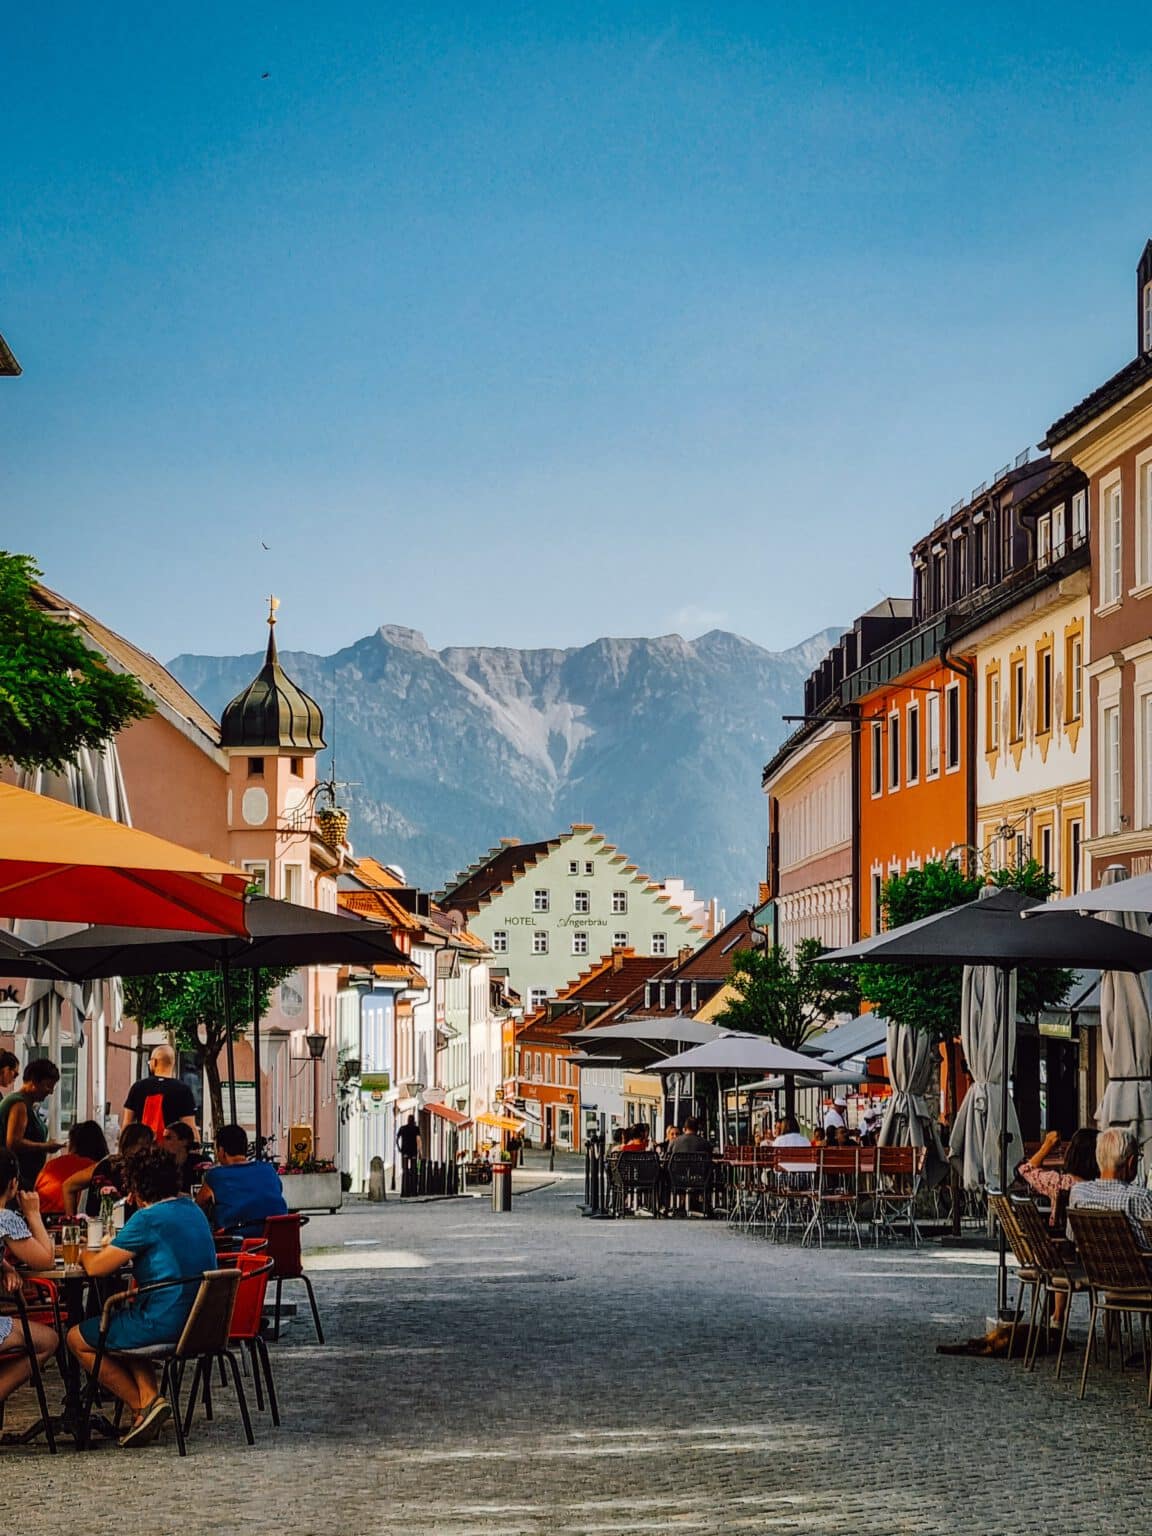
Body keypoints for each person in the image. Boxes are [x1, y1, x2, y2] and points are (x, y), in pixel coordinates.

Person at [68, 1144, 218, 1448]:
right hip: (201, 1322)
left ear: (135, 1188)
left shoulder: (147, 1219)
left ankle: (142, 1405)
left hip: (166, 1322)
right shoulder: (193, 1209)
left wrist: (82, 1249)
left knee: (76, 1337)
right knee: (123, 1321)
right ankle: (151, 1402)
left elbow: (97, 1268)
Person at [0, 1148, 58, 1412]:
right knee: (49, 1340)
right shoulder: (5, 1218)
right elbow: (45, 1260)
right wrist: (33, 1214)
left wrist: (6, 1267)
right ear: (13, 1184)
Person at [1067, 1127, 1152, 1248]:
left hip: (1092, 1265)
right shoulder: (1141, 1197)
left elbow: (1072, 1236)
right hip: (1140, 1265)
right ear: (1131, 1162)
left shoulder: (1078, 1192)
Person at [197, 1124, 287, 1236]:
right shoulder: (269, 1170)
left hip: (238, 1245)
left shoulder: (216, 1175)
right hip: (278, 1240)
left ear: (221, 1150)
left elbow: (198, 1207)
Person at [63, 1122, 154, 1219]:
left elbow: (68, 1186)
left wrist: (72, 1225)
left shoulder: (106, 1163)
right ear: (146, 1145)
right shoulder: (145, 1169)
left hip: (96, 1228)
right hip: (127, 1228)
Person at [0, 1059, 63, 1189]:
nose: (50, 1091)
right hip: (15, 1180)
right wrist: (46, 1147)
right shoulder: (19, 1105)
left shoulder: (27, 1106)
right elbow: (14, 1143)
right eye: (48, 1085)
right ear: (34, 1081)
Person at [1017, 1127, 1098, 1223]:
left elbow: (1025, 1171)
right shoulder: (1107, 1185)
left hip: (1064, 1235)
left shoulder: (1061, 1183)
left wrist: (1047, 1145)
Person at [122, 1045, 197, 1137]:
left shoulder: (138, 1087)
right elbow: (189, 1126)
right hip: (172, 1146)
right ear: (172, 1064)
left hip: (144, 1144)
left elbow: (127, 1124)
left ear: (154, 1062)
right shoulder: (183, 1090)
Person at [36, 1120, 109, 1215]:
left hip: (41, 1219)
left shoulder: (51, 1165)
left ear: (73, 1143)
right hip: (72, 1221)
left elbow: (36, 1191)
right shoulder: (96, 1170)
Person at [161, 1122, 200, 1195]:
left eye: (168, 1138)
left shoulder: (199, 1163)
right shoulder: (162, 1165)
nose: (163, 1142)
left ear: (184, 1141)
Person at [396, 1114, 421, 1197]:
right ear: (413, 1120)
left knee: (405, 1171)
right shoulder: (416, 1129)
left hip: (405, 1151)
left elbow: (397, 1138)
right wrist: (420, 1151)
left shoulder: (403, 1128)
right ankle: (413, 1192)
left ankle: (404, 1192)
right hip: (413, 1151)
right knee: (414, 1171)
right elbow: (418, 1140)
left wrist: (399, 1148)